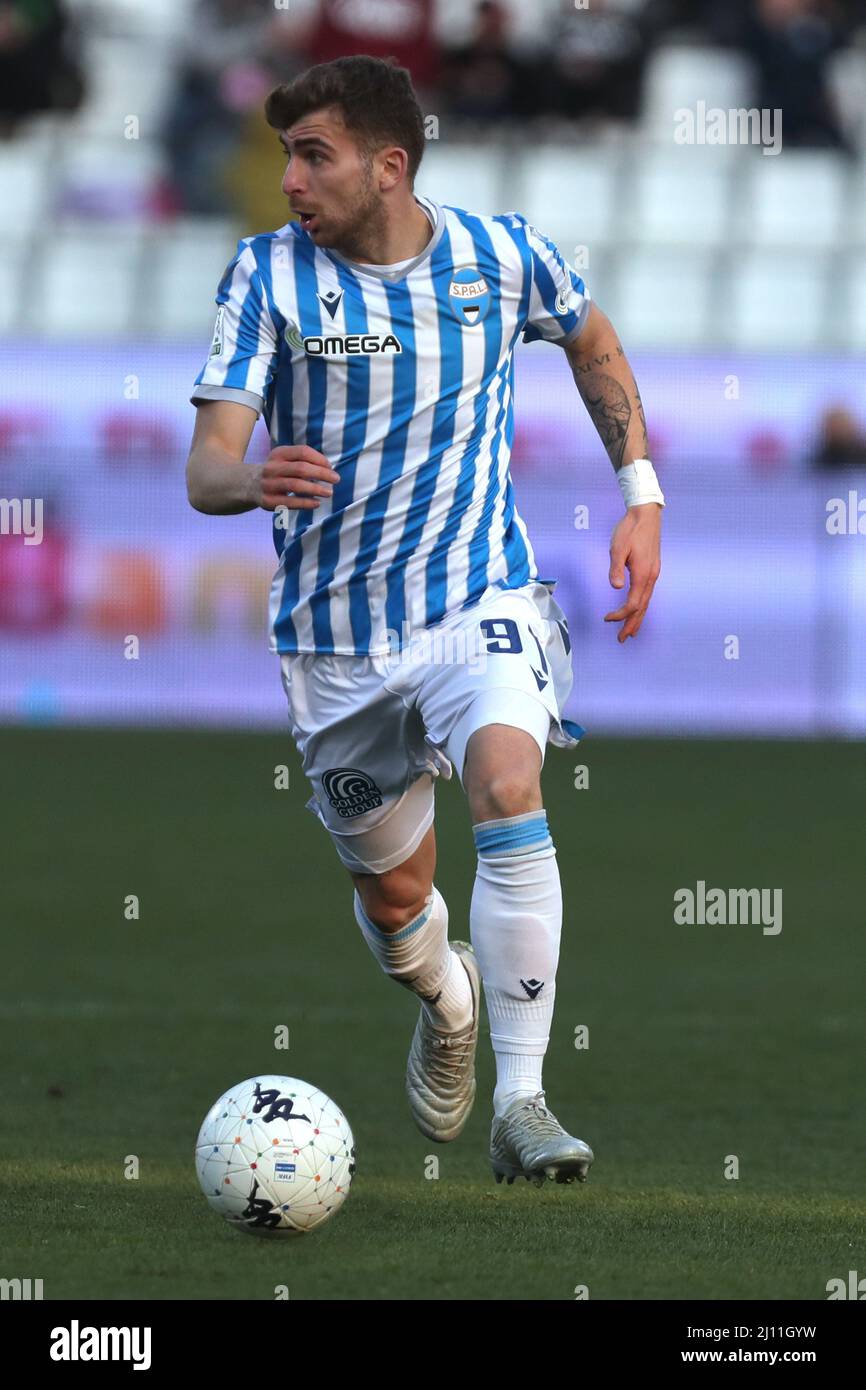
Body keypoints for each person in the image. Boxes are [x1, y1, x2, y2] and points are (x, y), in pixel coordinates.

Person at [185, 54, 663, 1187]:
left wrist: (640, 493)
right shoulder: (265, 276)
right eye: (288, 155)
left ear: (388, 165)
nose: (291, 178)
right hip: (336, 642)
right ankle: (446, 998)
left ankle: (524, 1100)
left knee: (507, 782)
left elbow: (589, 339)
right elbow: (206, 464)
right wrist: (250, 478)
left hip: (475, 601)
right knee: (399, 902)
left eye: (315, 155)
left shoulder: (502, 256)